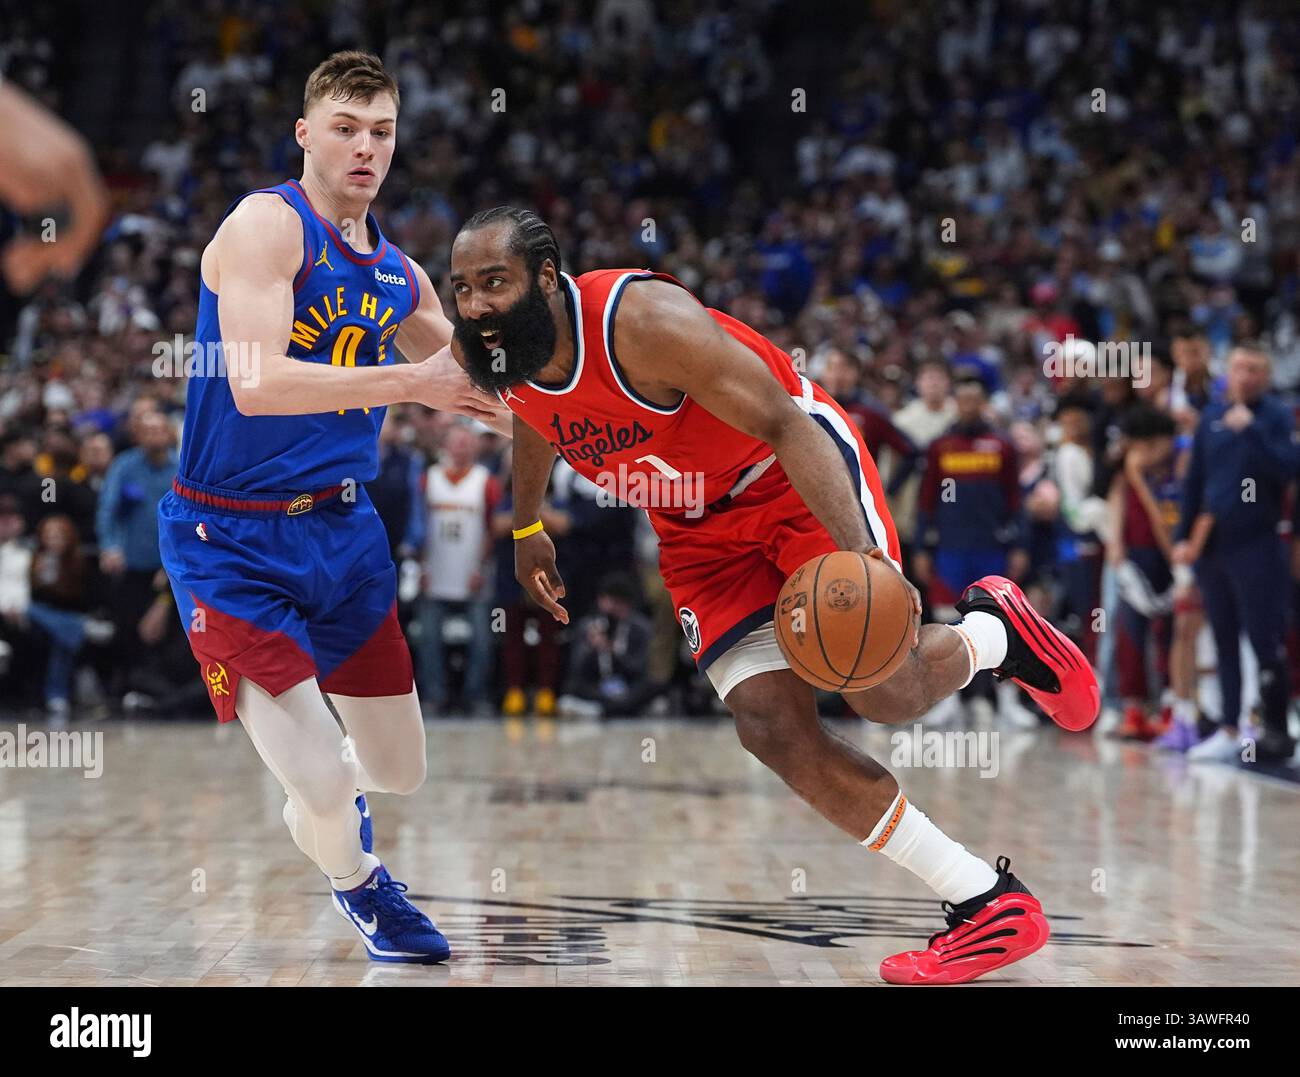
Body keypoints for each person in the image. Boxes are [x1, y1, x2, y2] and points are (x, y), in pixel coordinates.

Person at [444, 206, 1099, 985]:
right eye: (463, 288)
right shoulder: (502, 351)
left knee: (882, 690)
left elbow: (789, 425)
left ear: (547, 278)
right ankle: (986, 900)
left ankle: (994, 635)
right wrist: (526, 525)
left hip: (786, 477)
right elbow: (533, 412)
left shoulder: (643, 323)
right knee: (770, 727)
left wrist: (864, 561)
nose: (476, 303)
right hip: (692, 528)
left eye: (494, 282)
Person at [155, 52, 504, 964]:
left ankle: (325, 807)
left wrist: (620, 434)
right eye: (346, 128)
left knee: (398, 770)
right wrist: (413, 382)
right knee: (321, 777)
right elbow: (258, 383)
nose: (365, 148)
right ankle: (362, 884)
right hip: (229, 534)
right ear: (305, 134)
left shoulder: (399, 276)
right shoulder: (267, 226)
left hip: (343, 534)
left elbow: (483, 388)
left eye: (381, 132)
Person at [1173, 342, 1298, 763]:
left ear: (1266, 376)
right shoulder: (1211, 418)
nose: (1246, 376)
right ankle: (1229, 727)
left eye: (1254, 369)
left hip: (1258, 543)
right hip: (1214, 546)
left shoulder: (1276, 416)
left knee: (1264, 638)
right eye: (1240, 368)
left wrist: (1253, 431)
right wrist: (1182, 535)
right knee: (1223, 635)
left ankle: (1276, 729)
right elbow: (1195, 481)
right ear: (1228, 371)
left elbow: (1288, 469)